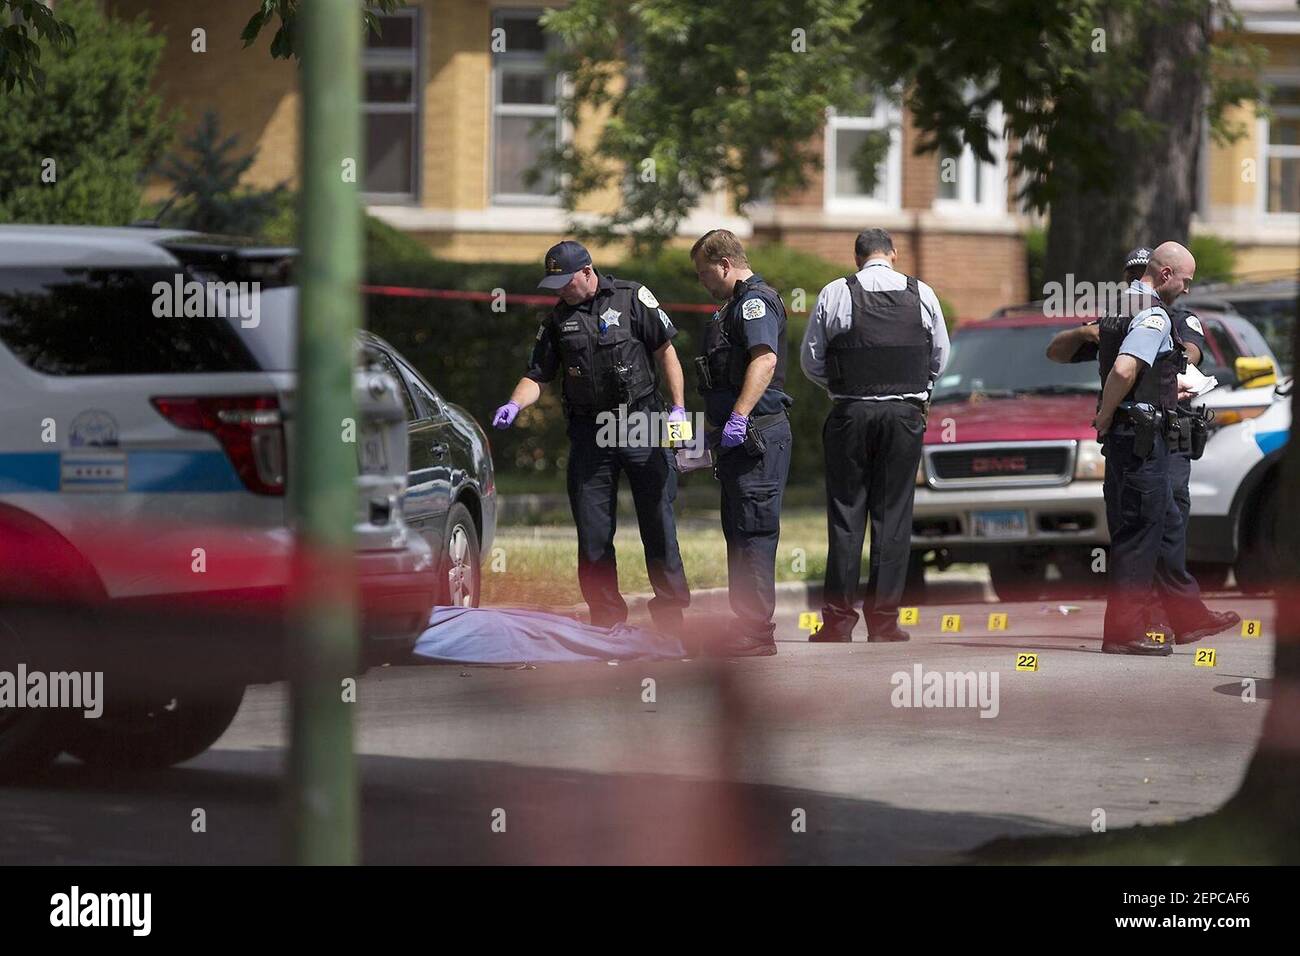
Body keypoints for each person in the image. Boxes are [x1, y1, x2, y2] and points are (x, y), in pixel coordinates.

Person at [493, 240, 691, 632]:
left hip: (640, 422)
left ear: (587, 271)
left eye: (566, 281)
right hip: (590, 431)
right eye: (555, 284)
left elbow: (665, 352)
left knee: (658, 524)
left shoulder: (631, 297)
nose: (561, 290)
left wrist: (680, 409)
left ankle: (671, 620)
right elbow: (538, 376)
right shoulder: (556, 321)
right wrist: (515, 404)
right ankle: (606, 623)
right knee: (593, 532)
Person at [1047, 246, 1238, 646]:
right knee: (1139, 533)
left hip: (1135, 435)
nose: (1187, 290)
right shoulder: (1151, 314)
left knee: (1162, 523)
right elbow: (1124, 368)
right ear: (1165, 274)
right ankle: (1125, 631)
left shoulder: (1120, 307)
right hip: (1140, 437)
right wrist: (1106, 413)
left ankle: (1186, 616)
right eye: (1184, 281)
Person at [800, 228, 949, 643]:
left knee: (846, 517)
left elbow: (811, 360)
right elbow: (939, 357)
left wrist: (842, 388)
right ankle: (884, 624)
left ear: (857, 257)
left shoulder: (835, 292)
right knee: (893, 516)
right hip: (904, 416)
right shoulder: (924, 293)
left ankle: (837, 623)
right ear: (894, 255)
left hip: (850, 413)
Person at [690, 229, 793, 657]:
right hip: (738, 437)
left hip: (757, 434)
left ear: (724, 264)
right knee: (738, 528)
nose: (702, 281)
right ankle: (746, 623)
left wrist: (739, 415)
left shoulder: (754, 302)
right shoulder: (730, 307)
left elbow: (764, 358)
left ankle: (757, 631)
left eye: (703, 272)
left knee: (753, 530)